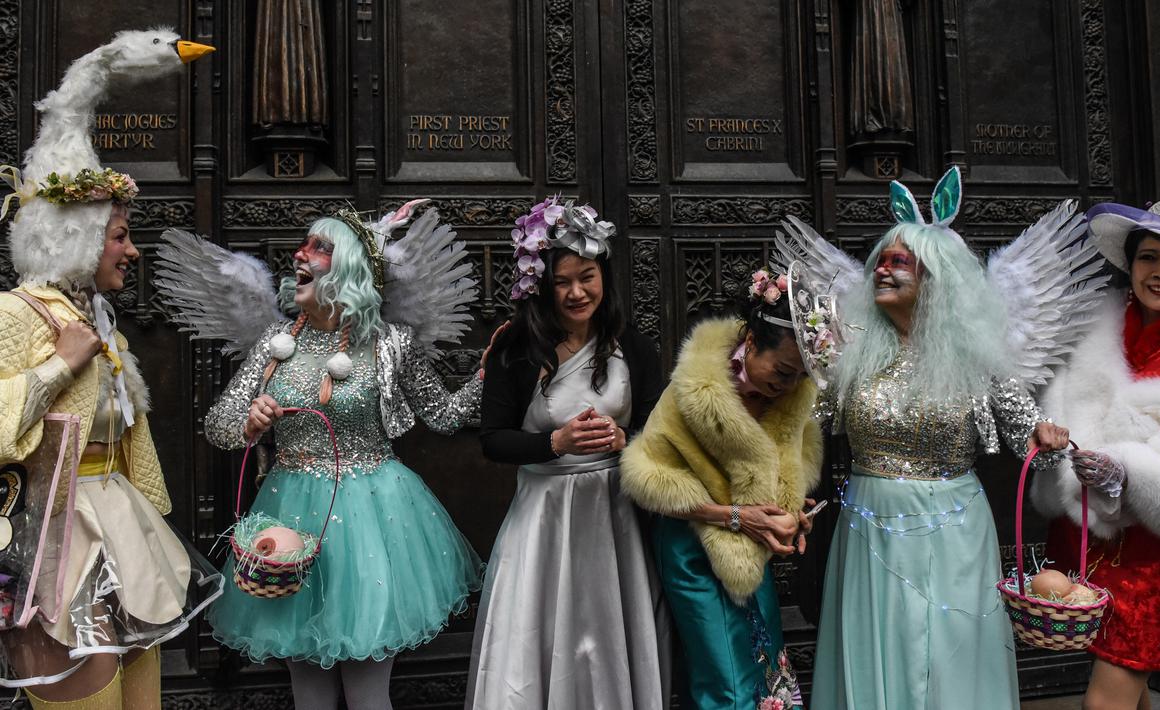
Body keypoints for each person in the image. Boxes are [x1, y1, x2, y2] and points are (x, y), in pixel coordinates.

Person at [156, 199, 492, 709]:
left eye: (319, 248)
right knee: (307, 688)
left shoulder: (389, 344)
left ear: (353, 267)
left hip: (376, 520)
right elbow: (219, 428)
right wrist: (250, 423)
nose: (300, 256)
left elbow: (443, 417)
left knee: (367, 691)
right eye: (304, 245)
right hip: (289, 516)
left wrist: (491, 376)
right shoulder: (275, 342)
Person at [776, 169, 1084, 710]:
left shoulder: (977, 359)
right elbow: (802, 427)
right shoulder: (848, 352)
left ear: (937, 279)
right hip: (870, 525)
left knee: (948, 653)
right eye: (881, 260)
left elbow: (1029, 445)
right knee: (881, 647)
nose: (884, 270)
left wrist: (1047, 439)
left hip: (955, 532)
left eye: (901, 262)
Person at [0, 29, 219, 709]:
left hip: (121, 534)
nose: (131, 251)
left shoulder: (97, 319)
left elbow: (123, 442)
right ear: (77, 238)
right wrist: (56, 368)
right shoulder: (16, 314)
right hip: (56, 552)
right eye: (119, 235)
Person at [465, 196, 669, 709]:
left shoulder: (632, 345)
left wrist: (627, 442)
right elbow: (492, 438)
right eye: (563, 281)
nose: (577, 292)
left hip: (614, 512)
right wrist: (553, 443)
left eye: (588, 277)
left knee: (606, 629)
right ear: (542, 284)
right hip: (544, 512)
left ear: (604, 276)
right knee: (537, 630)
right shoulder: (516, 345)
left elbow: (659, 433)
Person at [1031, 192, 1160, 710]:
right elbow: (1051, 418)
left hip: (1154, 559)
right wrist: (1051, 439)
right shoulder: (1091, 337)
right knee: (1127, 689)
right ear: (1131, 264)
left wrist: (1129, 471)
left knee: (1105, 701)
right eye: (1149, 256)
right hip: (1082, 542)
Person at [621, 268, 822, 710]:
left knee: (767, 669)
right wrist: (734, 516)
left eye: (800, 377)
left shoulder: (791, 399)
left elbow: (783, 475)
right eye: (783, 371)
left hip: (752, 552)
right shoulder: (693, 389)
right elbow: (648, 479)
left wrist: (793, 509)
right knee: (724, 677)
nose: (787, 386)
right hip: (692, 545)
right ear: (750, 342)